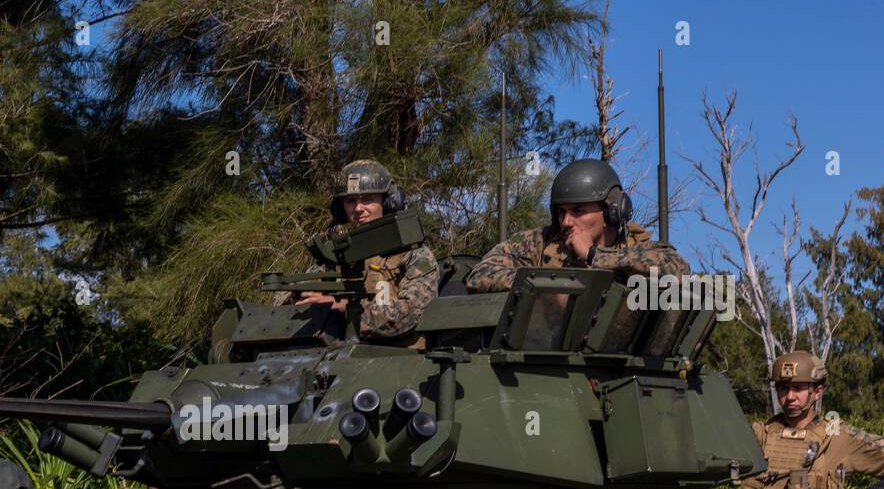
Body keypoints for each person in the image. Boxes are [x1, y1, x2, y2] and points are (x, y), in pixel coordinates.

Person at [465, 158, 689, 293]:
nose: (566, 222)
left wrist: (595, 256)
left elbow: (679, 270)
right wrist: (545, 283)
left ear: (611, 210)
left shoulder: (633, 247)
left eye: (578, 211)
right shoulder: (541, 241)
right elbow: (480, 275)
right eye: (561, 212)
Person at [274, 159, 439, 340]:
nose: (359, 208)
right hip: (336, 357)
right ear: (340, 208)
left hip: (397, 358)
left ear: (389, 202)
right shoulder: (337, 256)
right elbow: (284, 298)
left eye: (367, 199)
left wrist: (343, 308)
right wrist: (295, 298)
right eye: (351, 201)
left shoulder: (413, 254)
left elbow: (411, 314)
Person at [732, 351, 884, 489]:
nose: (790, 396)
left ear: (817, 392)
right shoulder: (761, 434)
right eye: (783, 388)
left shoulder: (837, 437)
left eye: (798, 388)